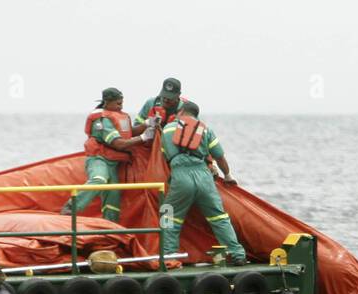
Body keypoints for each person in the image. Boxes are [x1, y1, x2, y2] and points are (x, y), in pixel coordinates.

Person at [159, 101, 247, 265]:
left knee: (168, 215)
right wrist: (227, 175)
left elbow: (164, 158)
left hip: (180, 177)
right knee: (219, 217)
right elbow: (219, 156)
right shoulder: (205, 129)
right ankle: (237, 255)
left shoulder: (168, 129)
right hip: (204, 177)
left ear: (181, 112)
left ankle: (168, 256)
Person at [64, 87, 154, 219]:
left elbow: (129, 133)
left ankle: (110, 229)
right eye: (118, 103)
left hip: (113, 163)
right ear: (107, 102)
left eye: (122, 103)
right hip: (99, 159)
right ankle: (71, 208)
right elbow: (119, 143)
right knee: (99, 179)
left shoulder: (120, 117)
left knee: (113, 199)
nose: (121, 106)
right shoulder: (102, 120)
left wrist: (147, 124)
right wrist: (143, 138)